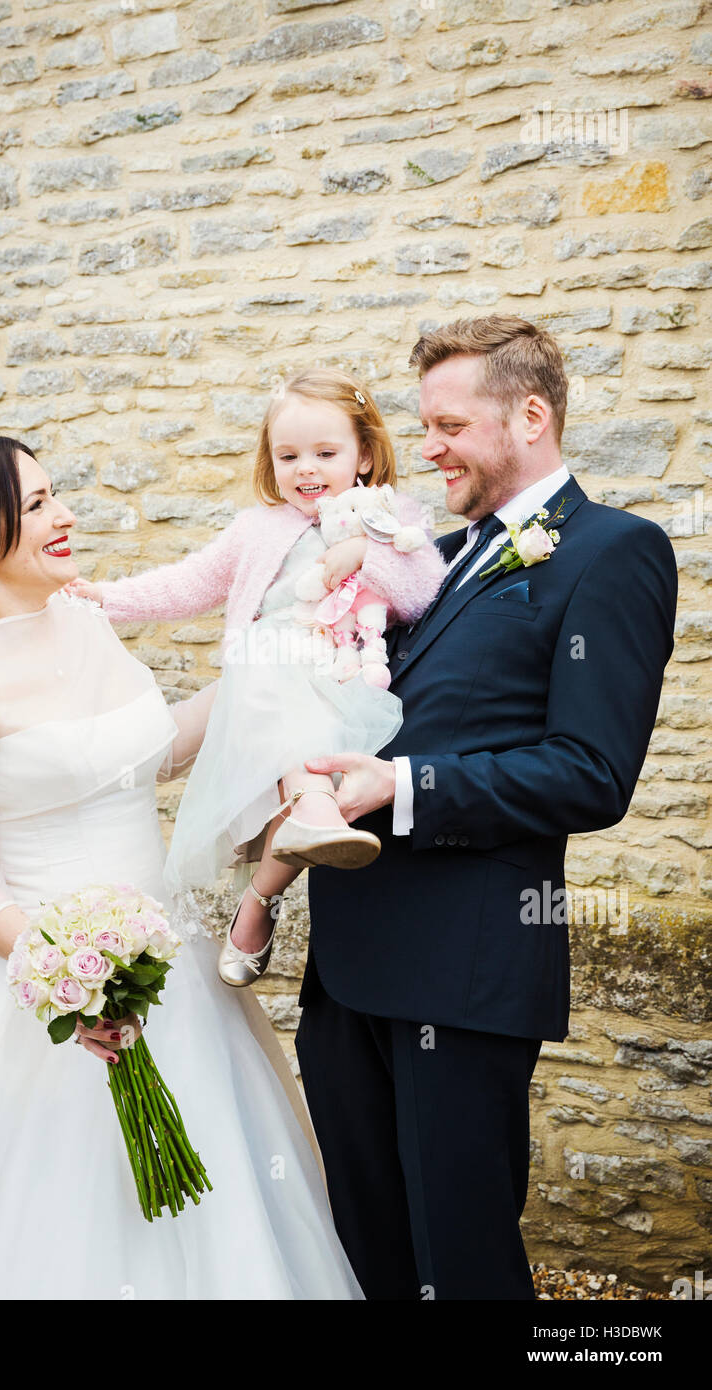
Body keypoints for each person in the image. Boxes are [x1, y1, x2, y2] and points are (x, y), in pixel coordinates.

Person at [0, 429, 364, 1300]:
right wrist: (62, 977)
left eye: (58, 495)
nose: (67, 514)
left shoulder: (83, 621)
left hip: (177, 975)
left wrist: (262, 669)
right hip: (44, 997)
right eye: (39, 503)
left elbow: (149, 754)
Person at [293, 314, 679, 1300]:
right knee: (368, 1252)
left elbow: (589, 770)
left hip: (460, 973)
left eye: (448, 425)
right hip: (346, 971)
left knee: (459, 1265)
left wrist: (406, 785)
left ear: (531, 416)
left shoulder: (612, 551)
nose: (425, 448)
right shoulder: (439, 554)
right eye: (423, 424)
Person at [68, 368, 446, 988]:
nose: (306, 469)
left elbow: (424, 591)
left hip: (346, 676)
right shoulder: (258, 528)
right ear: (270, 461)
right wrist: (106, 597)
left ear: (366, 455)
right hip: (267, 675)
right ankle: (314, 811)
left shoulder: (390, 516)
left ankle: (260, 901)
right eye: (288, 455)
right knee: (281, 696)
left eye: (326, 453)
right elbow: (189, 583)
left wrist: (365, 555)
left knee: (299, 781)